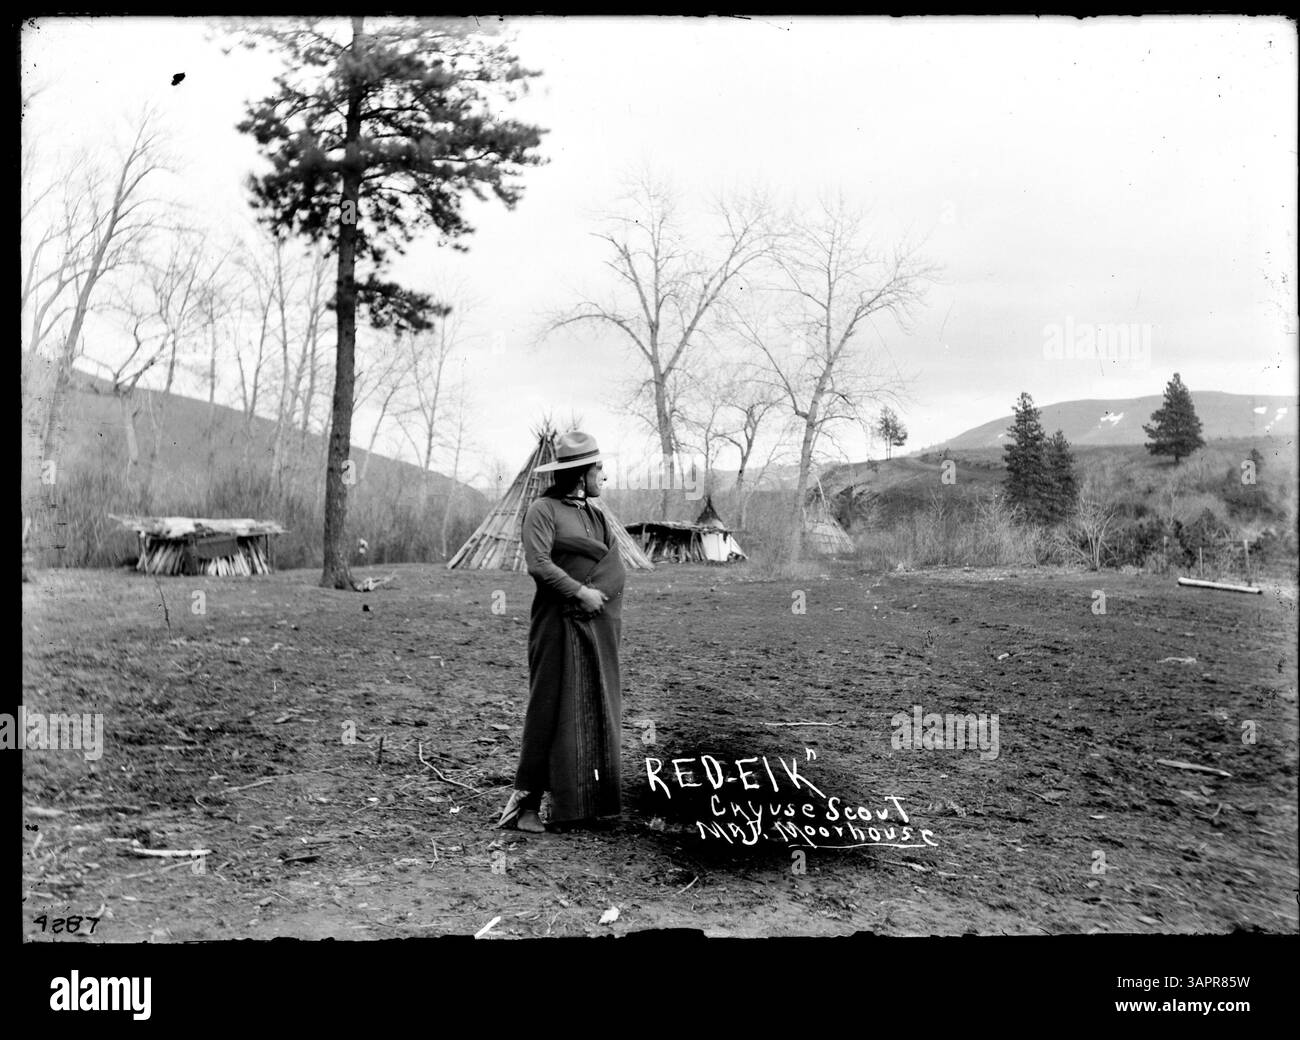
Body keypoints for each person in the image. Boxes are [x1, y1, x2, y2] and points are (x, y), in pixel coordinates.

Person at [496, 431, 626, 834]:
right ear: (579, 473)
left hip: (594, 628)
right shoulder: (543, 510)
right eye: (599, 469)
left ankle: (585, 802)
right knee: (550, 708)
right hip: (555, 626)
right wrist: (580, 592)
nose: (604, 477)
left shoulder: (596, 515)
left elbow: (610, 562)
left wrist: (598, 595)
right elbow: (537, 564)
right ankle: (526, 807)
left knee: (593, 704)